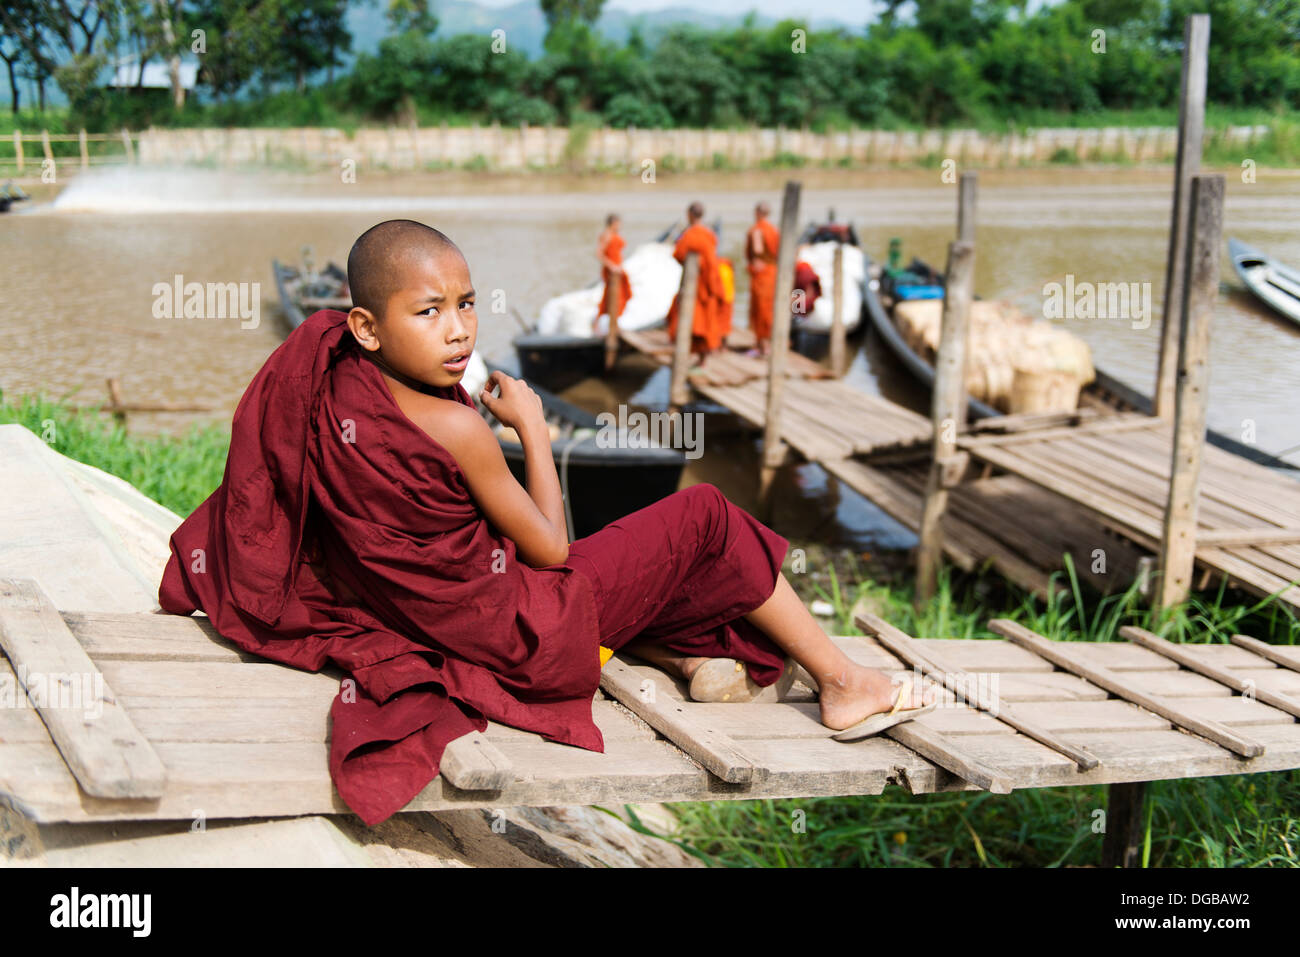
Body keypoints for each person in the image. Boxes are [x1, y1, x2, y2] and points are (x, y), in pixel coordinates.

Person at [157, 219, 933, 827]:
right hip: (520, 631)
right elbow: (553, 551)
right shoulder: (457, 428)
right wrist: (532, 427)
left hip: (439, 619)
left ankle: (682, 656)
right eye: (428, 312)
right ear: (364, 326)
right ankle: (844, 681)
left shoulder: (333, 381)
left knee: (648, 554)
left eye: (466, 304)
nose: (458, 330)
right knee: (707, 513)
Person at [665, 202, 726, 363]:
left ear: (689, 215)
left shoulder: (689, 235)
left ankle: (687, 356)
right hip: (709, 281)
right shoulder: (709, 234)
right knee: (705, 319)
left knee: (692, 319)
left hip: (696, 283)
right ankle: (702, 359)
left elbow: (678, 254)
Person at [746, 201, 780, 356]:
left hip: (762, 273)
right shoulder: (774, 230)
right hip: (773, 272)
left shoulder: (758, 230)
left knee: (760, 310)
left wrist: (756, 260)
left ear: (757, 213)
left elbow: (758, 249)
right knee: (770, 309)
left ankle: (762, 345)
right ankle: (768, 344)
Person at [598, 213, 631, 370]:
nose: (619, 226)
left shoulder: (615, 235)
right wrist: (611, 265)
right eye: (618, 223)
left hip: (618, 270)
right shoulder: (606, 235)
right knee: (609, 299)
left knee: (620, 298)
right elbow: (599, 254)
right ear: (613, 223)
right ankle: (600, 323)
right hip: (612, 272)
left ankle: (615, 324)